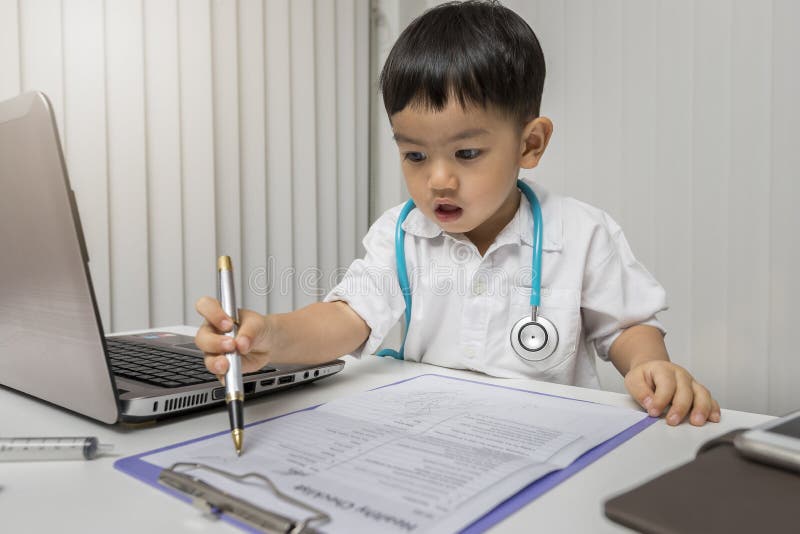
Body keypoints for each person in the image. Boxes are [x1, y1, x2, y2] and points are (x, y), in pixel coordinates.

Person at [195, 0, 720, 426]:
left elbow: (626, 327)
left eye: (466, 154)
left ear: (530, 144)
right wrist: (271, 335)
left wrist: (651, 365)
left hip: (542, 440)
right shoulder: (400, 235)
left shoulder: (580, 232)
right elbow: (348, 318)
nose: (438, 179)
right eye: (415, 155)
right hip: (427, 438)